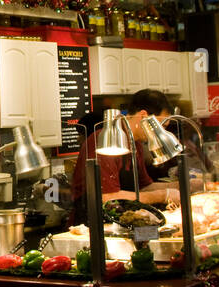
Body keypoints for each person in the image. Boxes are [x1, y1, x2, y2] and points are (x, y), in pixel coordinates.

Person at [70, 90, 181, 222]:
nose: (162, 132)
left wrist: (181, 186)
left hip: (121, 220)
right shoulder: (105, 142)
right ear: (144, 116)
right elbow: (108, 197)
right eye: (161, 125)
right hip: (92, 225)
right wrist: (163, 195)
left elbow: (143, 187)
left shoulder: (136, 143)